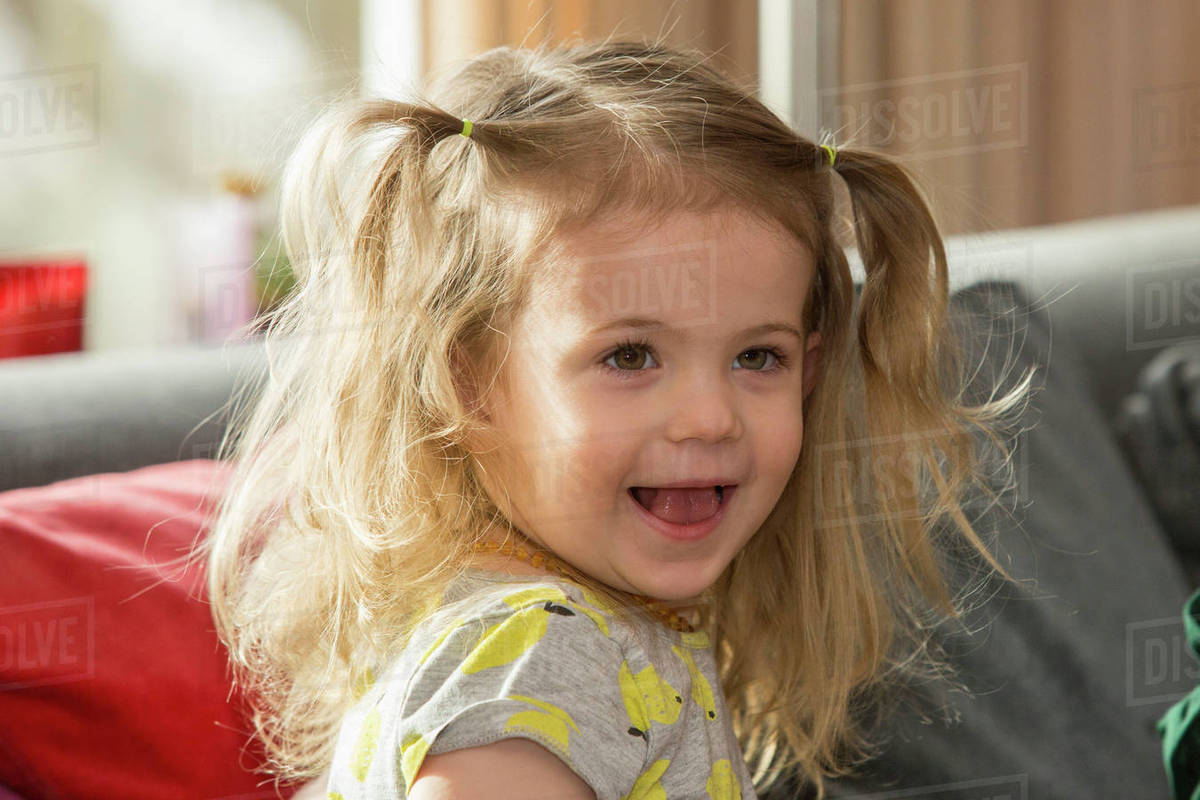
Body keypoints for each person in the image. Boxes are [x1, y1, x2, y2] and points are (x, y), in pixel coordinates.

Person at [193, 35, 1034, 800]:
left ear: (810, 371)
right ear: (467, 382)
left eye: (757, 358)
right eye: (630, 357)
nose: (710, 416)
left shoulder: (555, 624)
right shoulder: (539, 652)